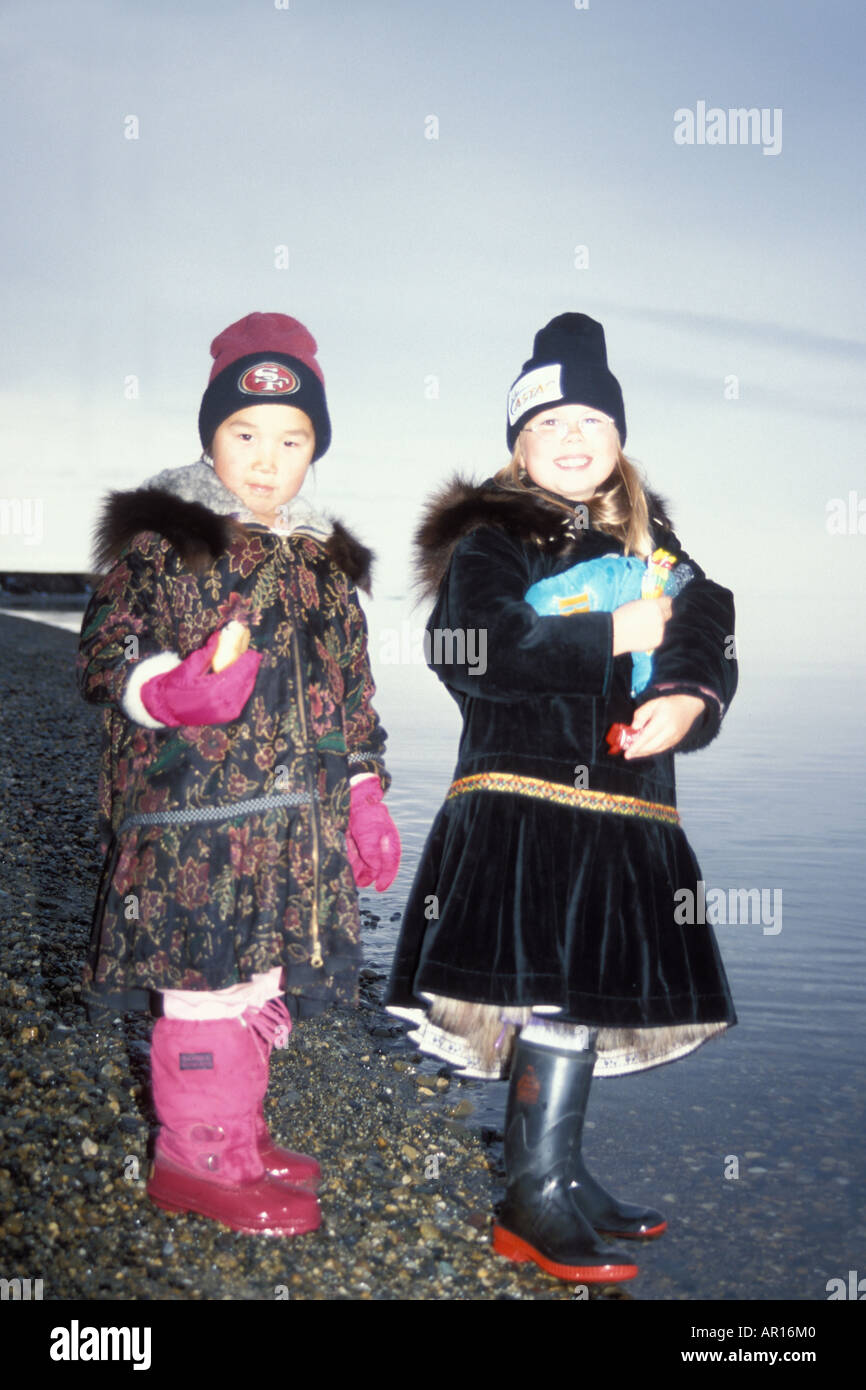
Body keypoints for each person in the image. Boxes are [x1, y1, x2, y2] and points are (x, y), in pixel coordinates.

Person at [386, 312, 737, 1284]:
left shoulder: (653, 542)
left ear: (619, 439)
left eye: (592, 419)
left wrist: (682, 692)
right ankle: (526, 1202)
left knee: (577, 998)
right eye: (548, 423)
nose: (573, 437)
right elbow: (467, 649)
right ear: (517, 444)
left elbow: (703, 620)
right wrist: (606, 632)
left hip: (625, 816)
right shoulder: (490, 537)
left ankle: (560, 1172)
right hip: (523, 805)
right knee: (543, 990)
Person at [78, 311, 400, 1237]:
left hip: (291, 829)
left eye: (292, 440)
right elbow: (104, 653)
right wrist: (163, 691)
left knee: (258, 982)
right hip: (191, 833)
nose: (267, 459)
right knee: (201, 985)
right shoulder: (167, 547)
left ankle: (240, 1136)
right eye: (245, 435)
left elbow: (352, 693)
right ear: (211, 438)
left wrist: (366, 793)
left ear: (315, 453)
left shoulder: (326, 573)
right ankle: (194, 1160)